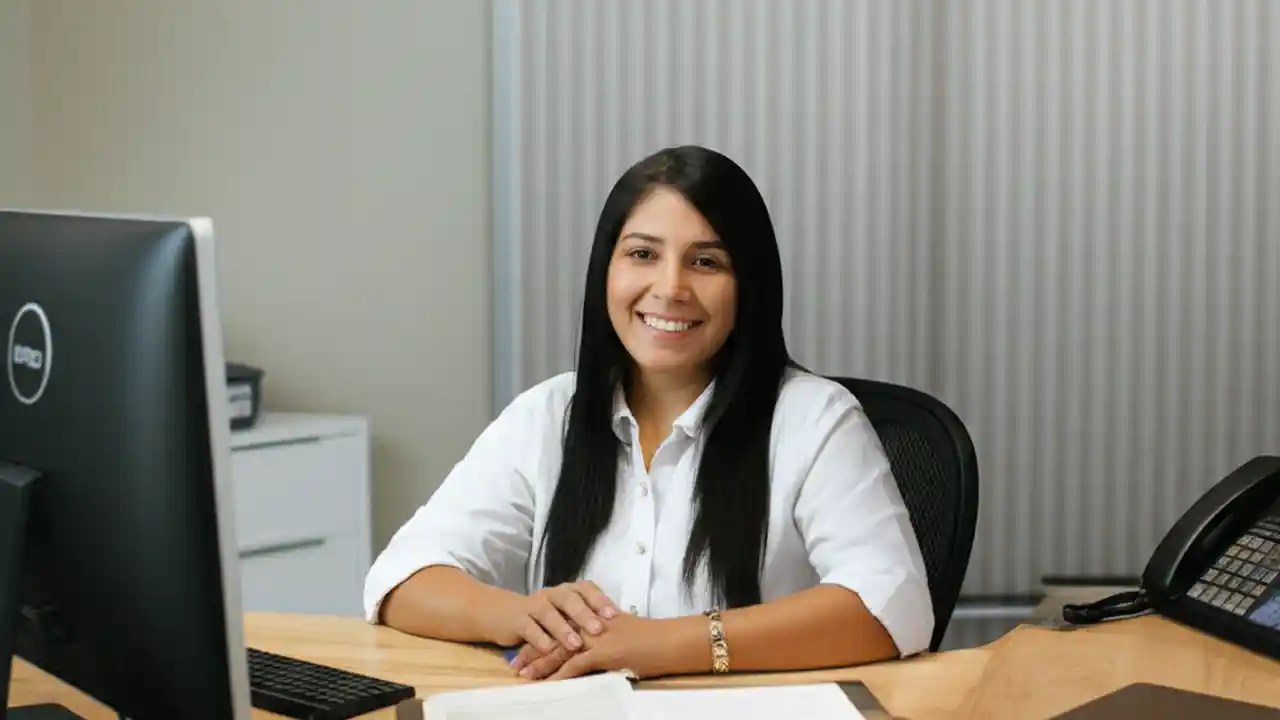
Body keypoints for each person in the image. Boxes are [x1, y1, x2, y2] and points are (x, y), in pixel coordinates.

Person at [363, 145, 932, 681]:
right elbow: (401, 581)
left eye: (706, 262)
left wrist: (658, 646)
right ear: (605, 272)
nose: (670, 287)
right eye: (642, 254)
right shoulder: (547, 416)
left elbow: (892, 604)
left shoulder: (814, 420)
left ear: (748, 287)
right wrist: (520, 616)